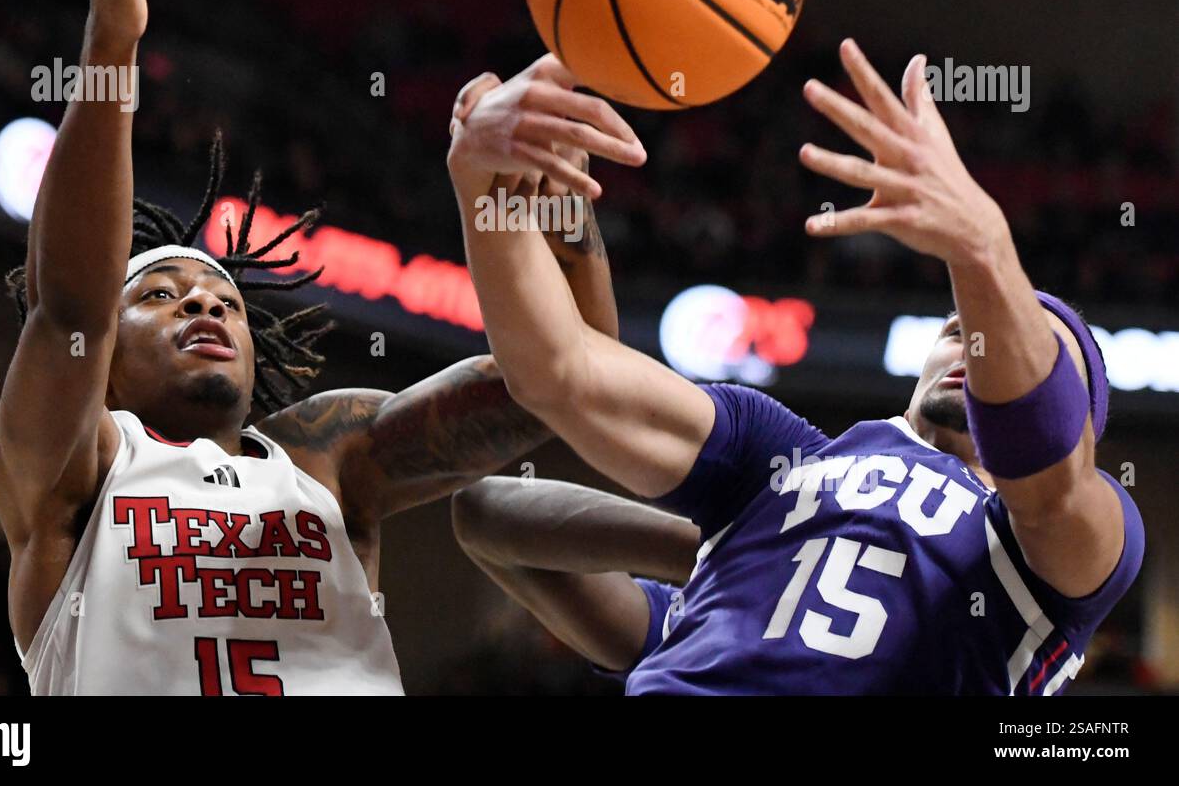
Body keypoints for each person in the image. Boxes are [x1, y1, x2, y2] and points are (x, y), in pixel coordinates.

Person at [0, 0, 617, 696]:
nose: (205, 306)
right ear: (108, 374)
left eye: (224, 302)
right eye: (160, 294)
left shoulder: (330, 454)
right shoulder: (76, 472)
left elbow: (568, 384)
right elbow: (69, 310)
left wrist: (568, 223)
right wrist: (112, 43)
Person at [444, 45, 1144, 694]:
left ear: (1083, 426)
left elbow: (1045, 472)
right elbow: (560, 372)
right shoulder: (777, 454)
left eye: (1018, 340)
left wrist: (982, 249)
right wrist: (485, 184)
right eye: (958, 329)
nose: (976, 346)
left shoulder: (1066, 553)